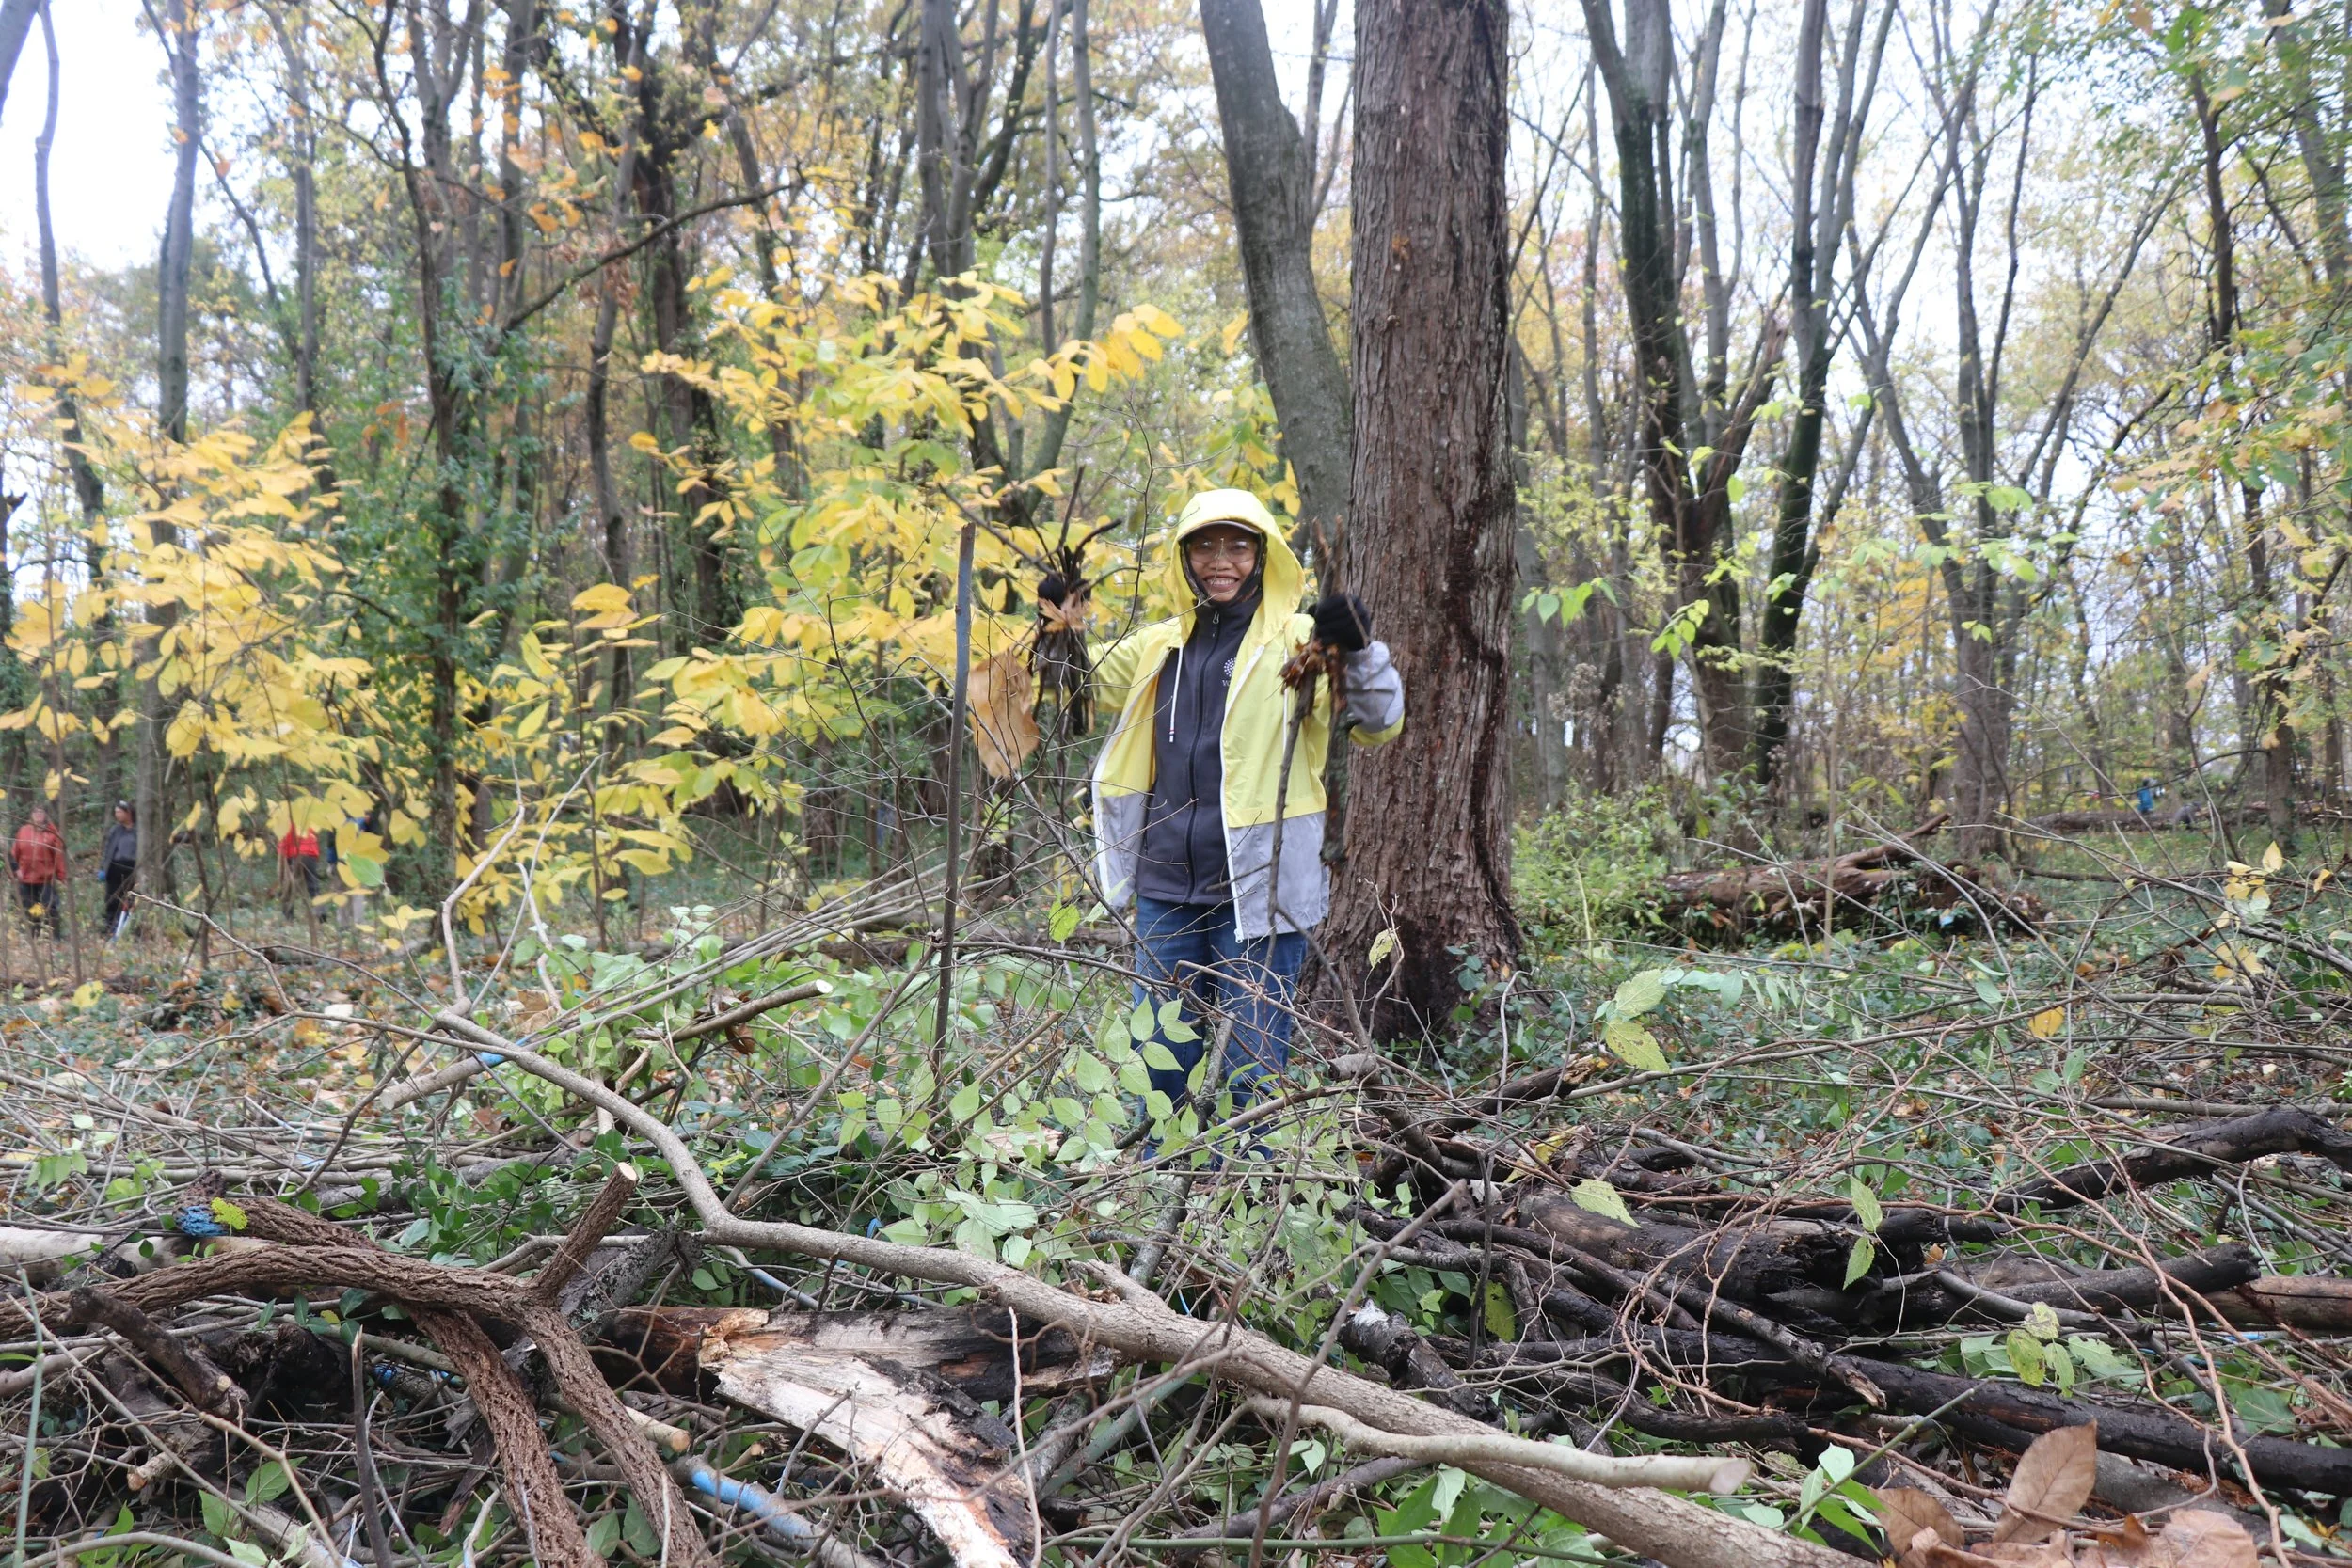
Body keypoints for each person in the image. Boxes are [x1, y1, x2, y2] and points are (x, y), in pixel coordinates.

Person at [1041, 488, 1405, 1132]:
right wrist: (1058, 626)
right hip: (1164, 890)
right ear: (1183, 558)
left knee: (1251, 1066)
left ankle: (1248, 1194)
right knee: (1159, 1064)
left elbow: (1380, 725)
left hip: (1261, 895)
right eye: (1205, 545)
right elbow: (1078, 691)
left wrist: (1361, 648)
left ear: (1263, 555)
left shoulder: (1302, 643)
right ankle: (1160, 1190)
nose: (1221, 560)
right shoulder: (1156, 648)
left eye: (1237, 545)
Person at [11, 807, 67, 938]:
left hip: (45, 880)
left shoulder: (52, 832)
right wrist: (16, 870)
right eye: (35, 812)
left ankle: (55, 937)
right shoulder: (23, 831)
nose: (38, 815)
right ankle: (35, 935)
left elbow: (59, 857)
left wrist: (62, 876)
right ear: (31, 815)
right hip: (26, 879)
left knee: (50, 908)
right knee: (32, 908)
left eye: (41, 812)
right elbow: (14, 853)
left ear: (45, 815)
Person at [100, 801, 136, 939]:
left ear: (128, 813)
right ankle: (110, 928)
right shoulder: (115, 830)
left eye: (119, 812)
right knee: (112, 899)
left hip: (132, 870)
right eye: (115, 812)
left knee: (129, 900)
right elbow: (108, 850)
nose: (117, 815)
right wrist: (103, 868)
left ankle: (125, 929)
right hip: (114, 869)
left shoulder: (138, 831)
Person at [278, 816, 322, 908]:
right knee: (313, 886)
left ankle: (288, 916)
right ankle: (321, 914)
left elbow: (284, 843)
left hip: (296, 855)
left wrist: (284, 860)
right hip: (311, 855)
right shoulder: (308, 820)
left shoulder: (288, 822)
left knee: (289, 887)